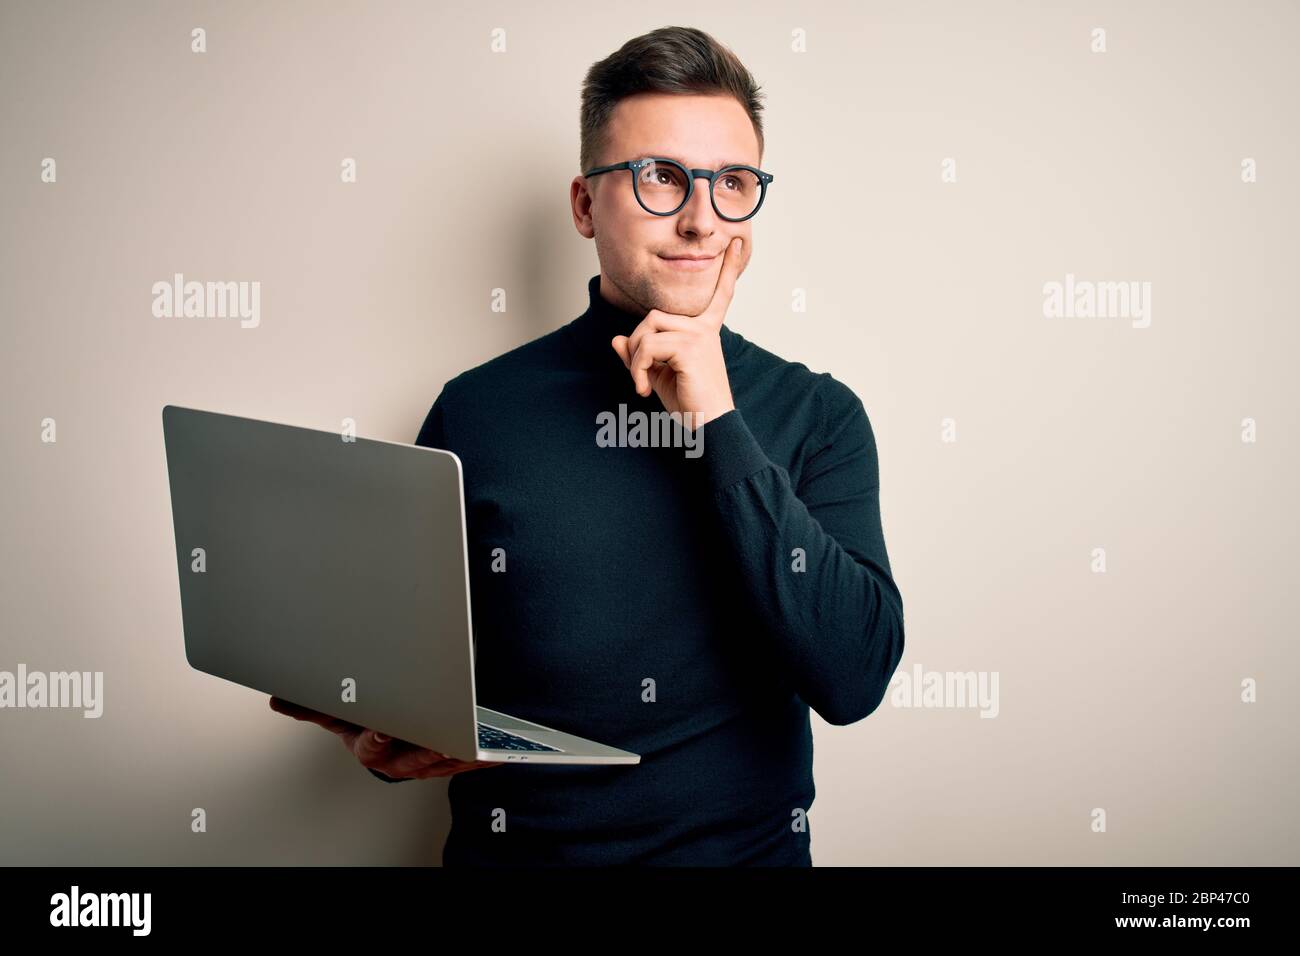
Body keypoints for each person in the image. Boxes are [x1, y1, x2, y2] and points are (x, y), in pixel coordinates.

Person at [271, 25, 904, 866]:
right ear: (583, 204)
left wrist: (715, 417)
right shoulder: (476, 412)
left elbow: (854, 679)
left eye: (733, 183)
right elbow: (407, 678)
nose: (699, 219)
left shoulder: (818, 415)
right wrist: (384, 736)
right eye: (660, 178)